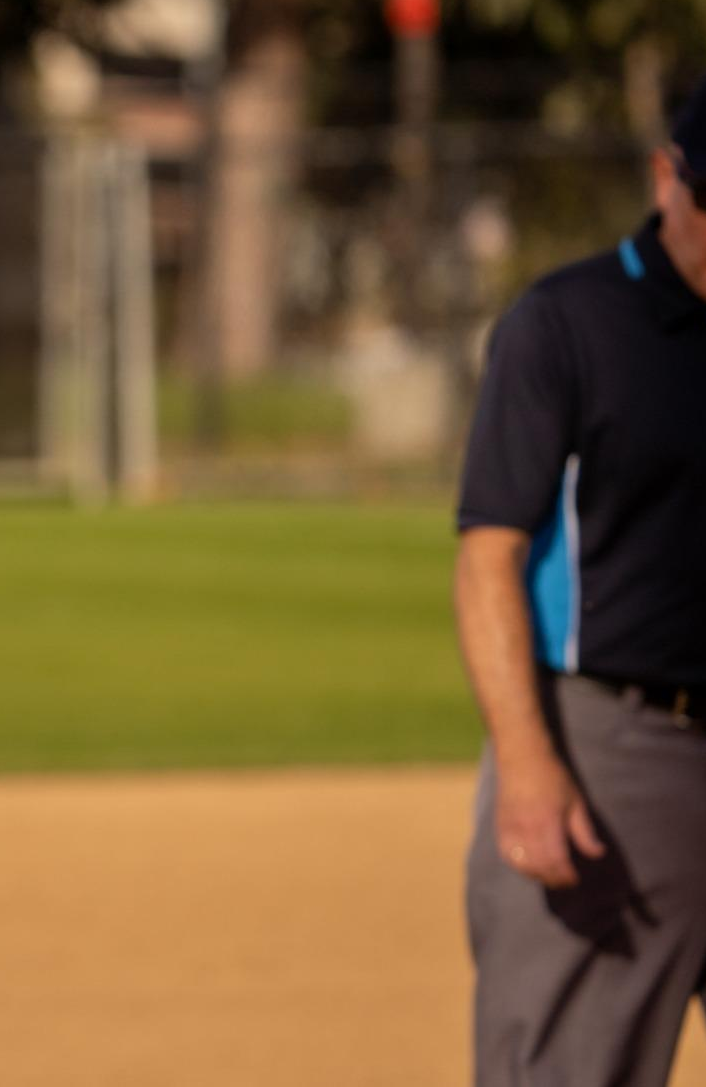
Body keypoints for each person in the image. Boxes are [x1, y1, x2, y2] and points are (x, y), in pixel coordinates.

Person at [456, 77, 706, 1087]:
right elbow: (488, 557)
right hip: (617, 751)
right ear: (668, 180)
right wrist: (527, 763)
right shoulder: (570, 325)